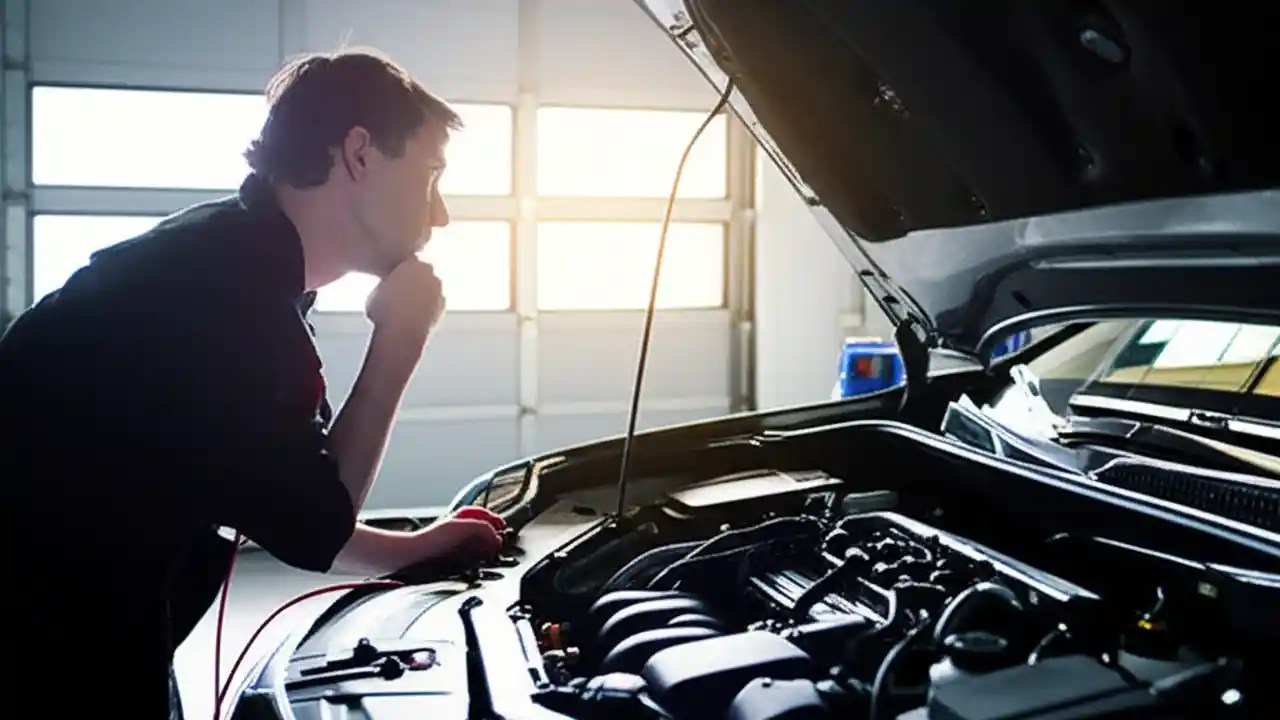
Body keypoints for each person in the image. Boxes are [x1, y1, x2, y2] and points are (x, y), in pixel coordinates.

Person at [0, 49, 506, 717]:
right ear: (359, 153)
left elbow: (273, 492)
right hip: (50, 656)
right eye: (429, 175)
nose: (438, 214)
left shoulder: (224, 260)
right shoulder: (226, 301)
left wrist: (406, 551)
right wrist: (401, 339)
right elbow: (313, 526)